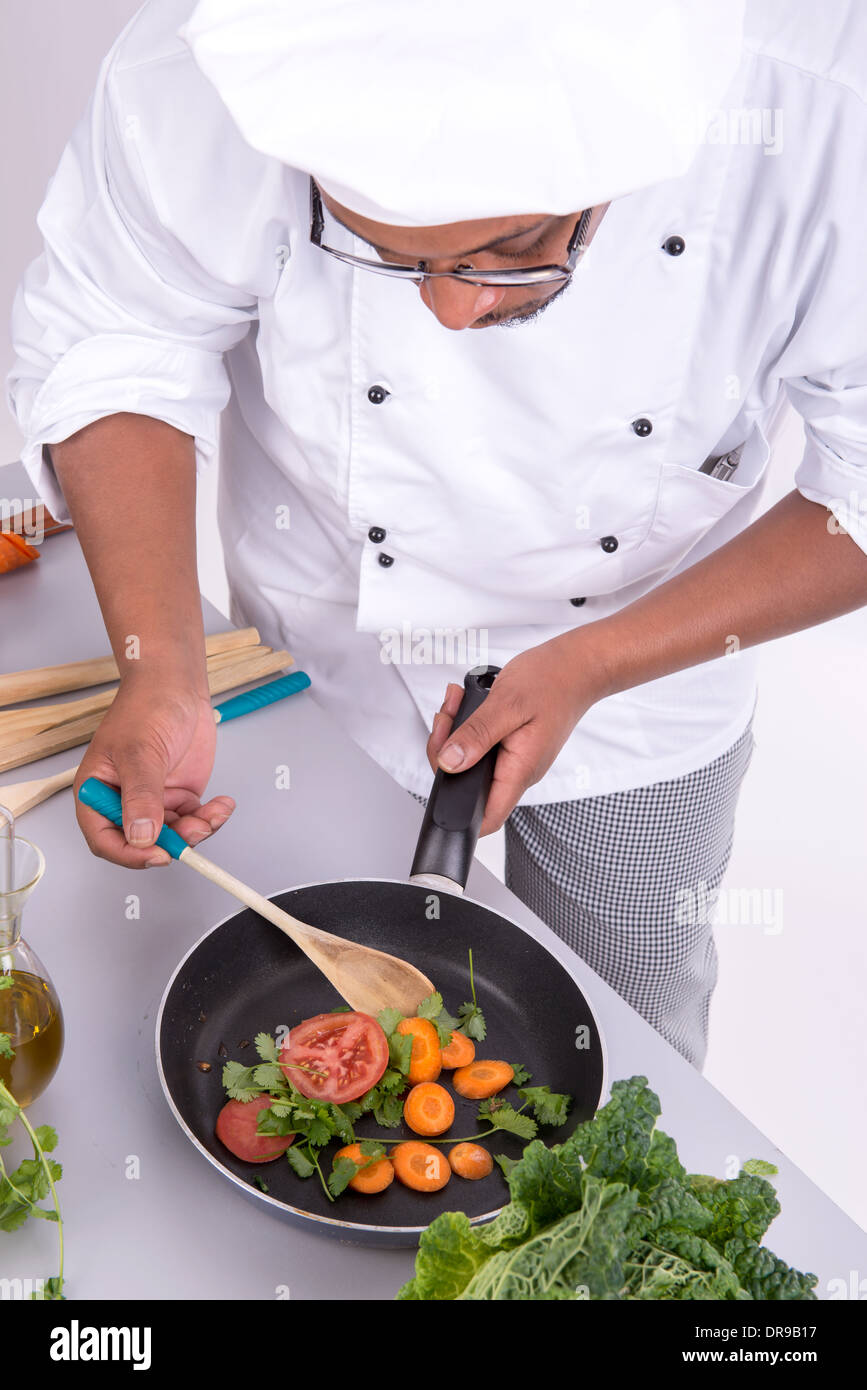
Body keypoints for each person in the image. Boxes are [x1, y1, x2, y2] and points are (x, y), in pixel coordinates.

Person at [7, 0, 867, 1069]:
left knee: (633, 1051)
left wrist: (593, 664)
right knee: (291, 1008)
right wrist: (164, 667)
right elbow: (120, 342)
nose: (452, 317)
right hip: (321, 649)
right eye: (382, 253)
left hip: (652, 675)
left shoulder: (824, 100)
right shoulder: (223, 61)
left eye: (514, 250)